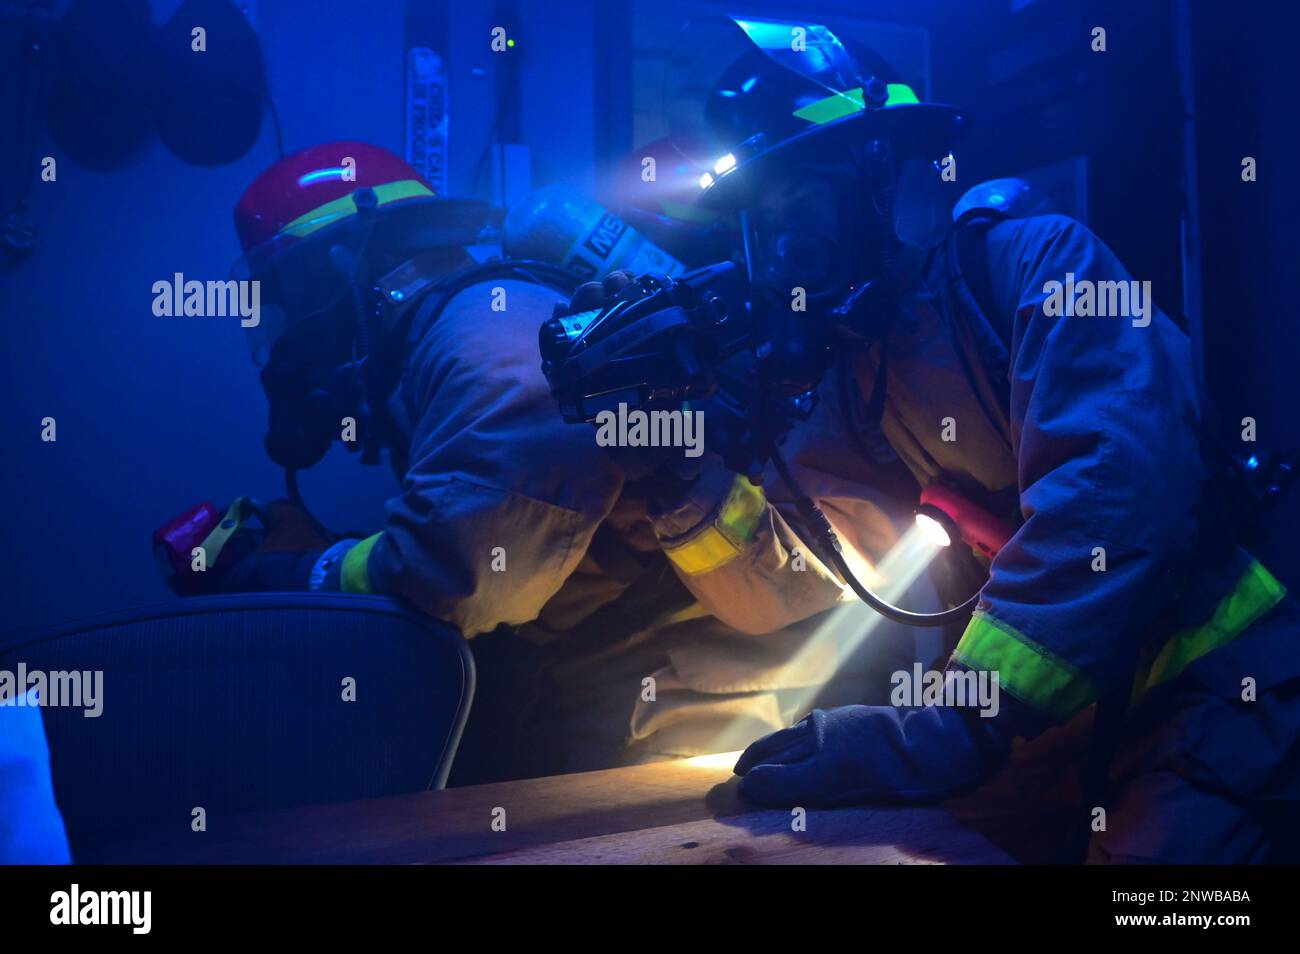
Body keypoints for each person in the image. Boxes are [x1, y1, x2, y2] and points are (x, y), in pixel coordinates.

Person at [660, 16, 1298, 863]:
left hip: (1213, 693)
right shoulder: (857, 380)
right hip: (1060, 721)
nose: (786, 251)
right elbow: (804, 585)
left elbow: (1113, 506)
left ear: (885, 178)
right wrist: (672, 476)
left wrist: (950, 725)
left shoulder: (1041, 267)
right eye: (763, 225)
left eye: (801, 205)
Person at [217, 139, 926, 782]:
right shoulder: (459, 330)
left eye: (288, 301)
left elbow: (466, 576)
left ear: (338, 270)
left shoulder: (483, 337)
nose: (284, 345)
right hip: (651, 668)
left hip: (690, 694)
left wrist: (293, 572)